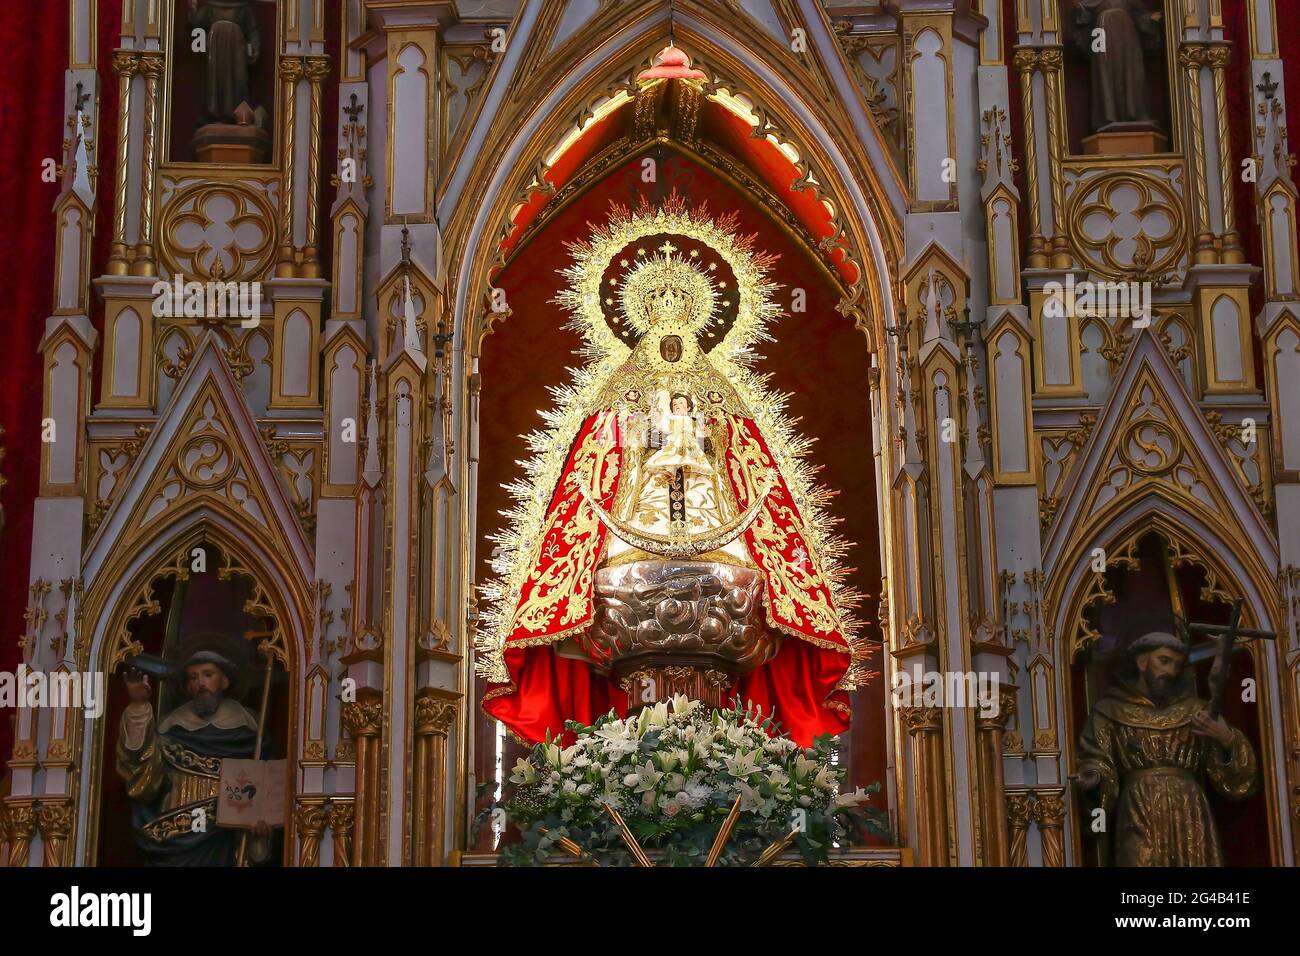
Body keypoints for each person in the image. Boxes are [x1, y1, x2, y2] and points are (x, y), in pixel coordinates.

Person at [1074, 629, 1257, 866]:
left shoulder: (1196, 711)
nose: (1170, 672)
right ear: (1142, 661)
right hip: (1138, 810)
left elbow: (1234, 778)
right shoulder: (1110, 711)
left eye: (1176, 665)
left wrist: (1227, 739)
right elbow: (1096, 758)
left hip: (1189, 811)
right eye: (1164, 661)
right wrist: (1094, 776)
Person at [116, 638, 271, 865]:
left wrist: (259, 828)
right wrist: (139, 706)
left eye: (208, 675)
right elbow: (142, 769)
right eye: (194, 677)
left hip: (222, 838)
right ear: (188, 686)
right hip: (175, 837)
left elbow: (264, 788)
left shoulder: (249, 732)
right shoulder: (171, 727)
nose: (201, 683)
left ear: (225, 681)